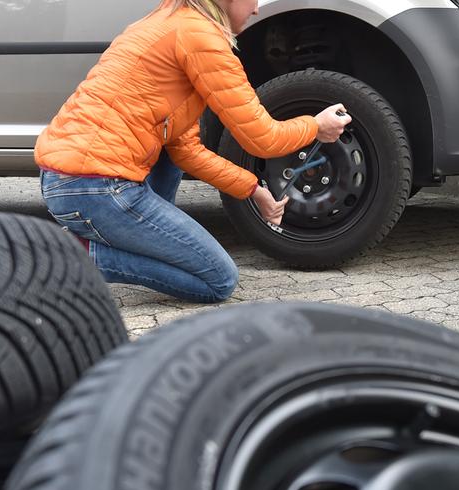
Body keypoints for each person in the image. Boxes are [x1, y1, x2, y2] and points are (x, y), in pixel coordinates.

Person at [36, 0, 351, 303]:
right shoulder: (201, 38)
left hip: (66, 180)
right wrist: (314, 126)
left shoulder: (169, 23)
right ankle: (68, 256)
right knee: (217, 279)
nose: (257, 8)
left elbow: (185, 151)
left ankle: (146, 244)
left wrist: (253, 189)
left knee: (170, 158)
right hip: (96, 187)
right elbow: (261, 138)